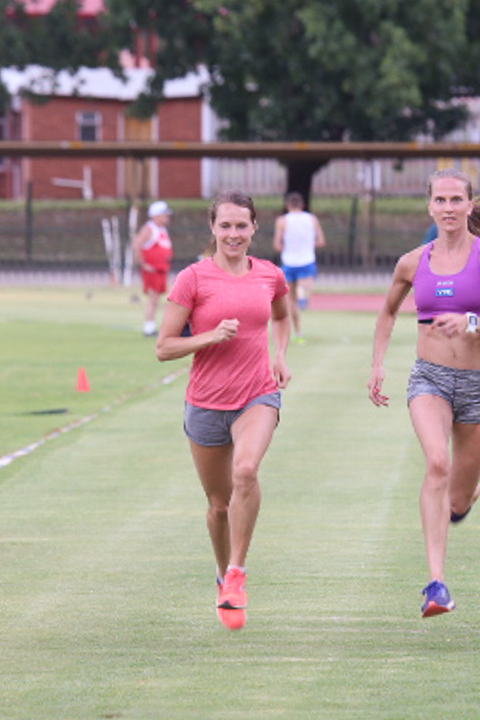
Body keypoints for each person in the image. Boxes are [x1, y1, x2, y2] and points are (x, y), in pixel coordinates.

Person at [368, 168, 480, 618]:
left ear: (470, 205)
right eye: (441, 200)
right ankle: (436, 585)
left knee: (456, 497)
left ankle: (465, 496)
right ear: (430, 206)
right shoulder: (412, 262)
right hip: (429, 379)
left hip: (479, 386)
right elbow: (386, 315)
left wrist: (473, 322)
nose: (449, 208)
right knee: (437, 462)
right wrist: (378, 365)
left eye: (457, 200)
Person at [156, 190, 291, 631]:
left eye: (242, 225)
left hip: (258, 394)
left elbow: (282, 316)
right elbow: (165, 347)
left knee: (246, 471)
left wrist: (280, 355)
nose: (234, 234)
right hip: (206, 402)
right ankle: (221, 575)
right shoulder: (193, 279)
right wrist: (208, 336)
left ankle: (237, 573)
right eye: (226, 226)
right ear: (213, 229)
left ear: (255, 229)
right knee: (218, 505)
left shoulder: (269, 275)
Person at [272, 191, 326, 344]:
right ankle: (303, 299)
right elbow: (321, 241)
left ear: (288, 205)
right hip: (306, 261)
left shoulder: (282, 221)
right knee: (303, 292)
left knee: (291, 301)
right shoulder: (312, 219)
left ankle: (298, 332)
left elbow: (277, 245)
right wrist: (308, 244)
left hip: (289, 263)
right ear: (302, 205)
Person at [133, 200, 174, 337]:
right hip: (152, 270)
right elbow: (137, 243)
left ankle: (154, 325)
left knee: (158, 298)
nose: (167, 218)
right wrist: (143, 264)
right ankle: (149, 327)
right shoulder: (149, 229)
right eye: (164, 215)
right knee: (153, 298)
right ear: (156, 216)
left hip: (162, 269)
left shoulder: (162, 229)